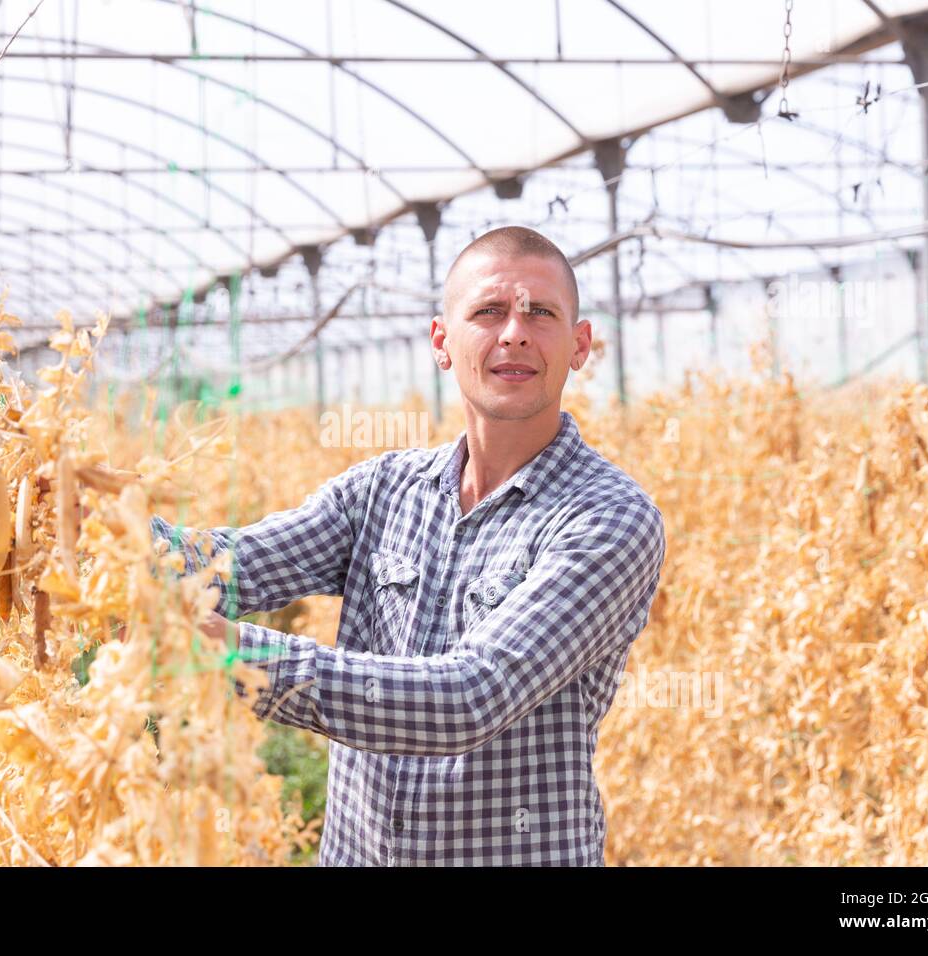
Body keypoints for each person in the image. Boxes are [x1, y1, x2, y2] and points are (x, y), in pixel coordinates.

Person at [152, 225, 666, 865]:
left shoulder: (608, 519)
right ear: (443, 343)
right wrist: (99, 530)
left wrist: (221, 653)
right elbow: (227, 568)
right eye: (488, 312)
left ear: (579, 345)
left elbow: (470, 696)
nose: (514, 332)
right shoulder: (381, 491)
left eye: (541, 313)